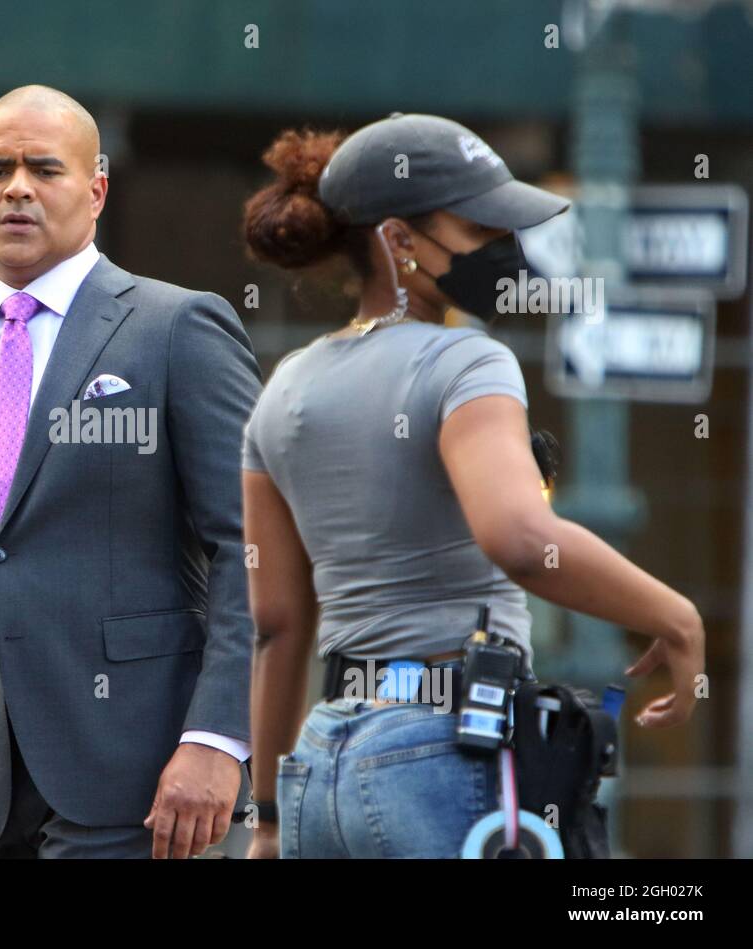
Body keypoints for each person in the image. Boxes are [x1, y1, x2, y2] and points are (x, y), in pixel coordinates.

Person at [239, 114, 706, 859]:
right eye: (482, 228)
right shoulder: (465, 362)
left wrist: (264, 819)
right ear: (398, 241)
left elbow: (276, 624)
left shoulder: (285, 387)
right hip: (436, 750)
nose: (504, 249)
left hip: (320, 764)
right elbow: (521, 539)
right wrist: (675, 614)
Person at [0, 85, 261, 858]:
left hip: (143, 786)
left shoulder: (176, 328)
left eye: (45, 169)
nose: (18, 186)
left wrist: (219, 735)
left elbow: (252, 546)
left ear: (96, 190)